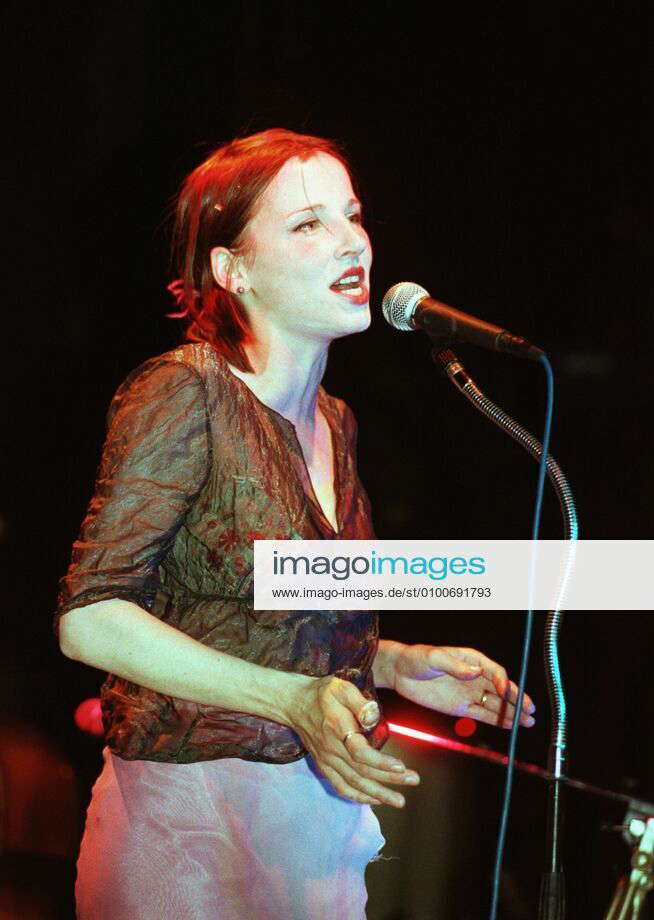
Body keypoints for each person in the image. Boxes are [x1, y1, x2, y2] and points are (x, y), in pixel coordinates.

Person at [55, 128, 535, 920]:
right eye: (308, 224)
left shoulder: (335, 422)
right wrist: (292, 700)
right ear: (230, 268)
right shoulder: (187, 393)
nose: (351, 241)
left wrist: (394, 661)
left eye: (351, 216)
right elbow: (90, 618)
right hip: (191, 822)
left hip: (305, 824)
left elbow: (253, 620)